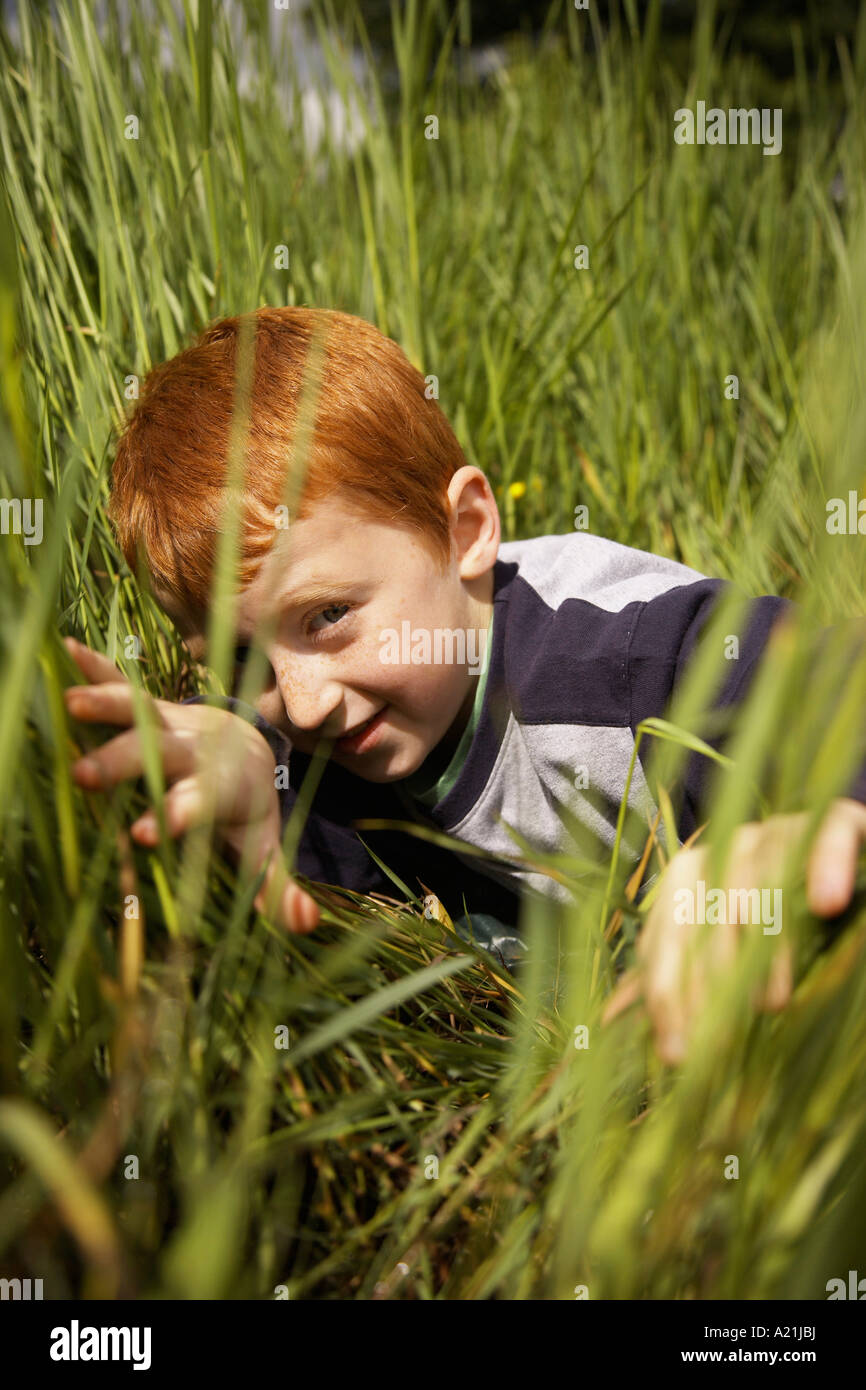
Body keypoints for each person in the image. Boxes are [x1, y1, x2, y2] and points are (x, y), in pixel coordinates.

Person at [63, 306, 866, 1063]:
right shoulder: (320, 741)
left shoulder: (622, 659)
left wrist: (812, 823)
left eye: (330, 615)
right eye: (242, 663)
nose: (304, 702)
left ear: (467, 532)